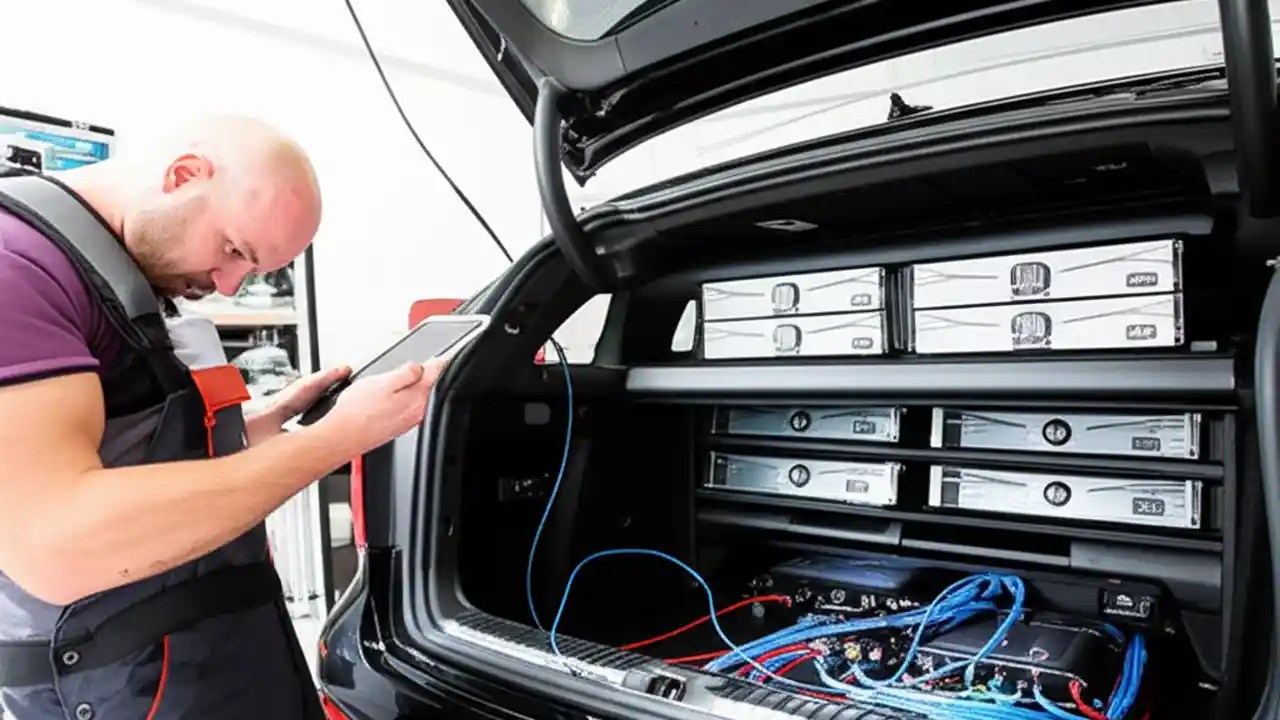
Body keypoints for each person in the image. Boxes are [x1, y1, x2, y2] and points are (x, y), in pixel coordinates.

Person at [0, 116, 443, 719]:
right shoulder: (16, 267)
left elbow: (134, 448)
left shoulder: (116, 271)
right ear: (184, 175)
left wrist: (265, 424)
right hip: (120, 681)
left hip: (211, 656)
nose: (229, 286)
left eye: (253, 273)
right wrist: (340, 438)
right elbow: (58, 543)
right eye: (234, 251)